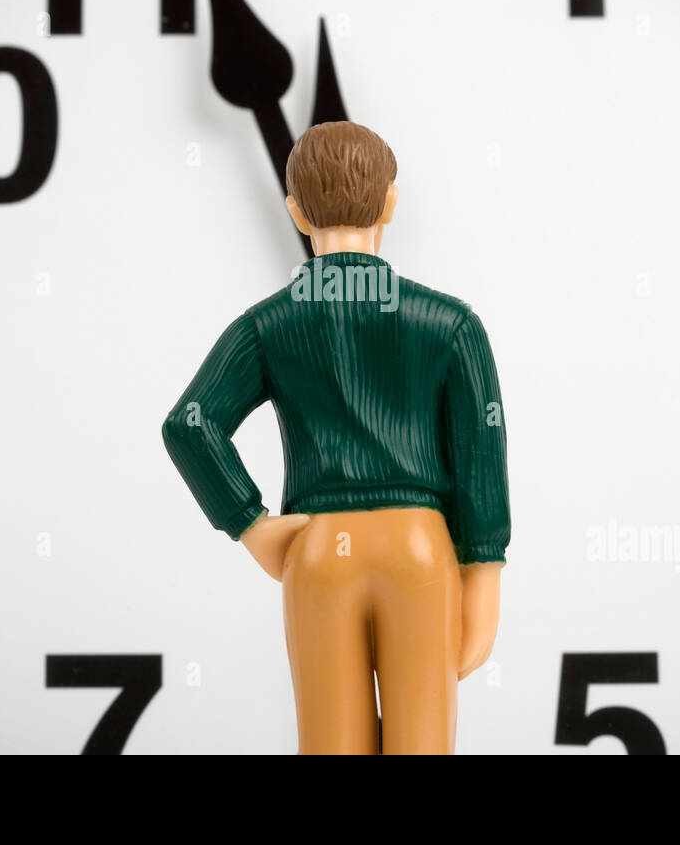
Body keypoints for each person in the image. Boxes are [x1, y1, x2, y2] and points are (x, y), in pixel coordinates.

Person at [162, 121, 510, 754]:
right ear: (391, 204)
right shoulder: (450, 323)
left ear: (294, 211)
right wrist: (483, 572)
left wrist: (251, 522)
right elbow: (479, 449)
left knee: (329, 744)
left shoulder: (268, 324)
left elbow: (190, 422)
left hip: (320, 551)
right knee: (423, 743)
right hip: (418, 548)